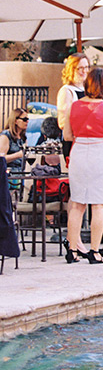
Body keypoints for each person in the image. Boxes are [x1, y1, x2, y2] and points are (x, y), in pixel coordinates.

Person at [64, 67, 103, 264]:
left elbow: (67, 136)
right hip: (100, 154)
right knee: (99, 205)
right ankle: (95, 251)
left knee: (77, 204)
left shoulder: (73, 106)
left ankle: (72, 250)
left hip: (79, 152)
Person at [0, 108, 22, 268]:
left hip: (19, 176)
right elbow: (1, 158)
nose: (27, 122)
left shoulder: (21, 137)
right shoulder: (5, 136)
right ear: (15, 120)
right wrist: (19, 155)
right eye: (24, 119)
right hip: (9, 176)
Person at [57, 52, 90, 159]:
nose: (84, 71)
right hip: (74, 142)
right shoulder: (67, 91)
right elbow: (62, 122)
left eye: (86, 67)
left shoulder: (88, 90)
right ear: (72, 70)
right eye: (80, 68)